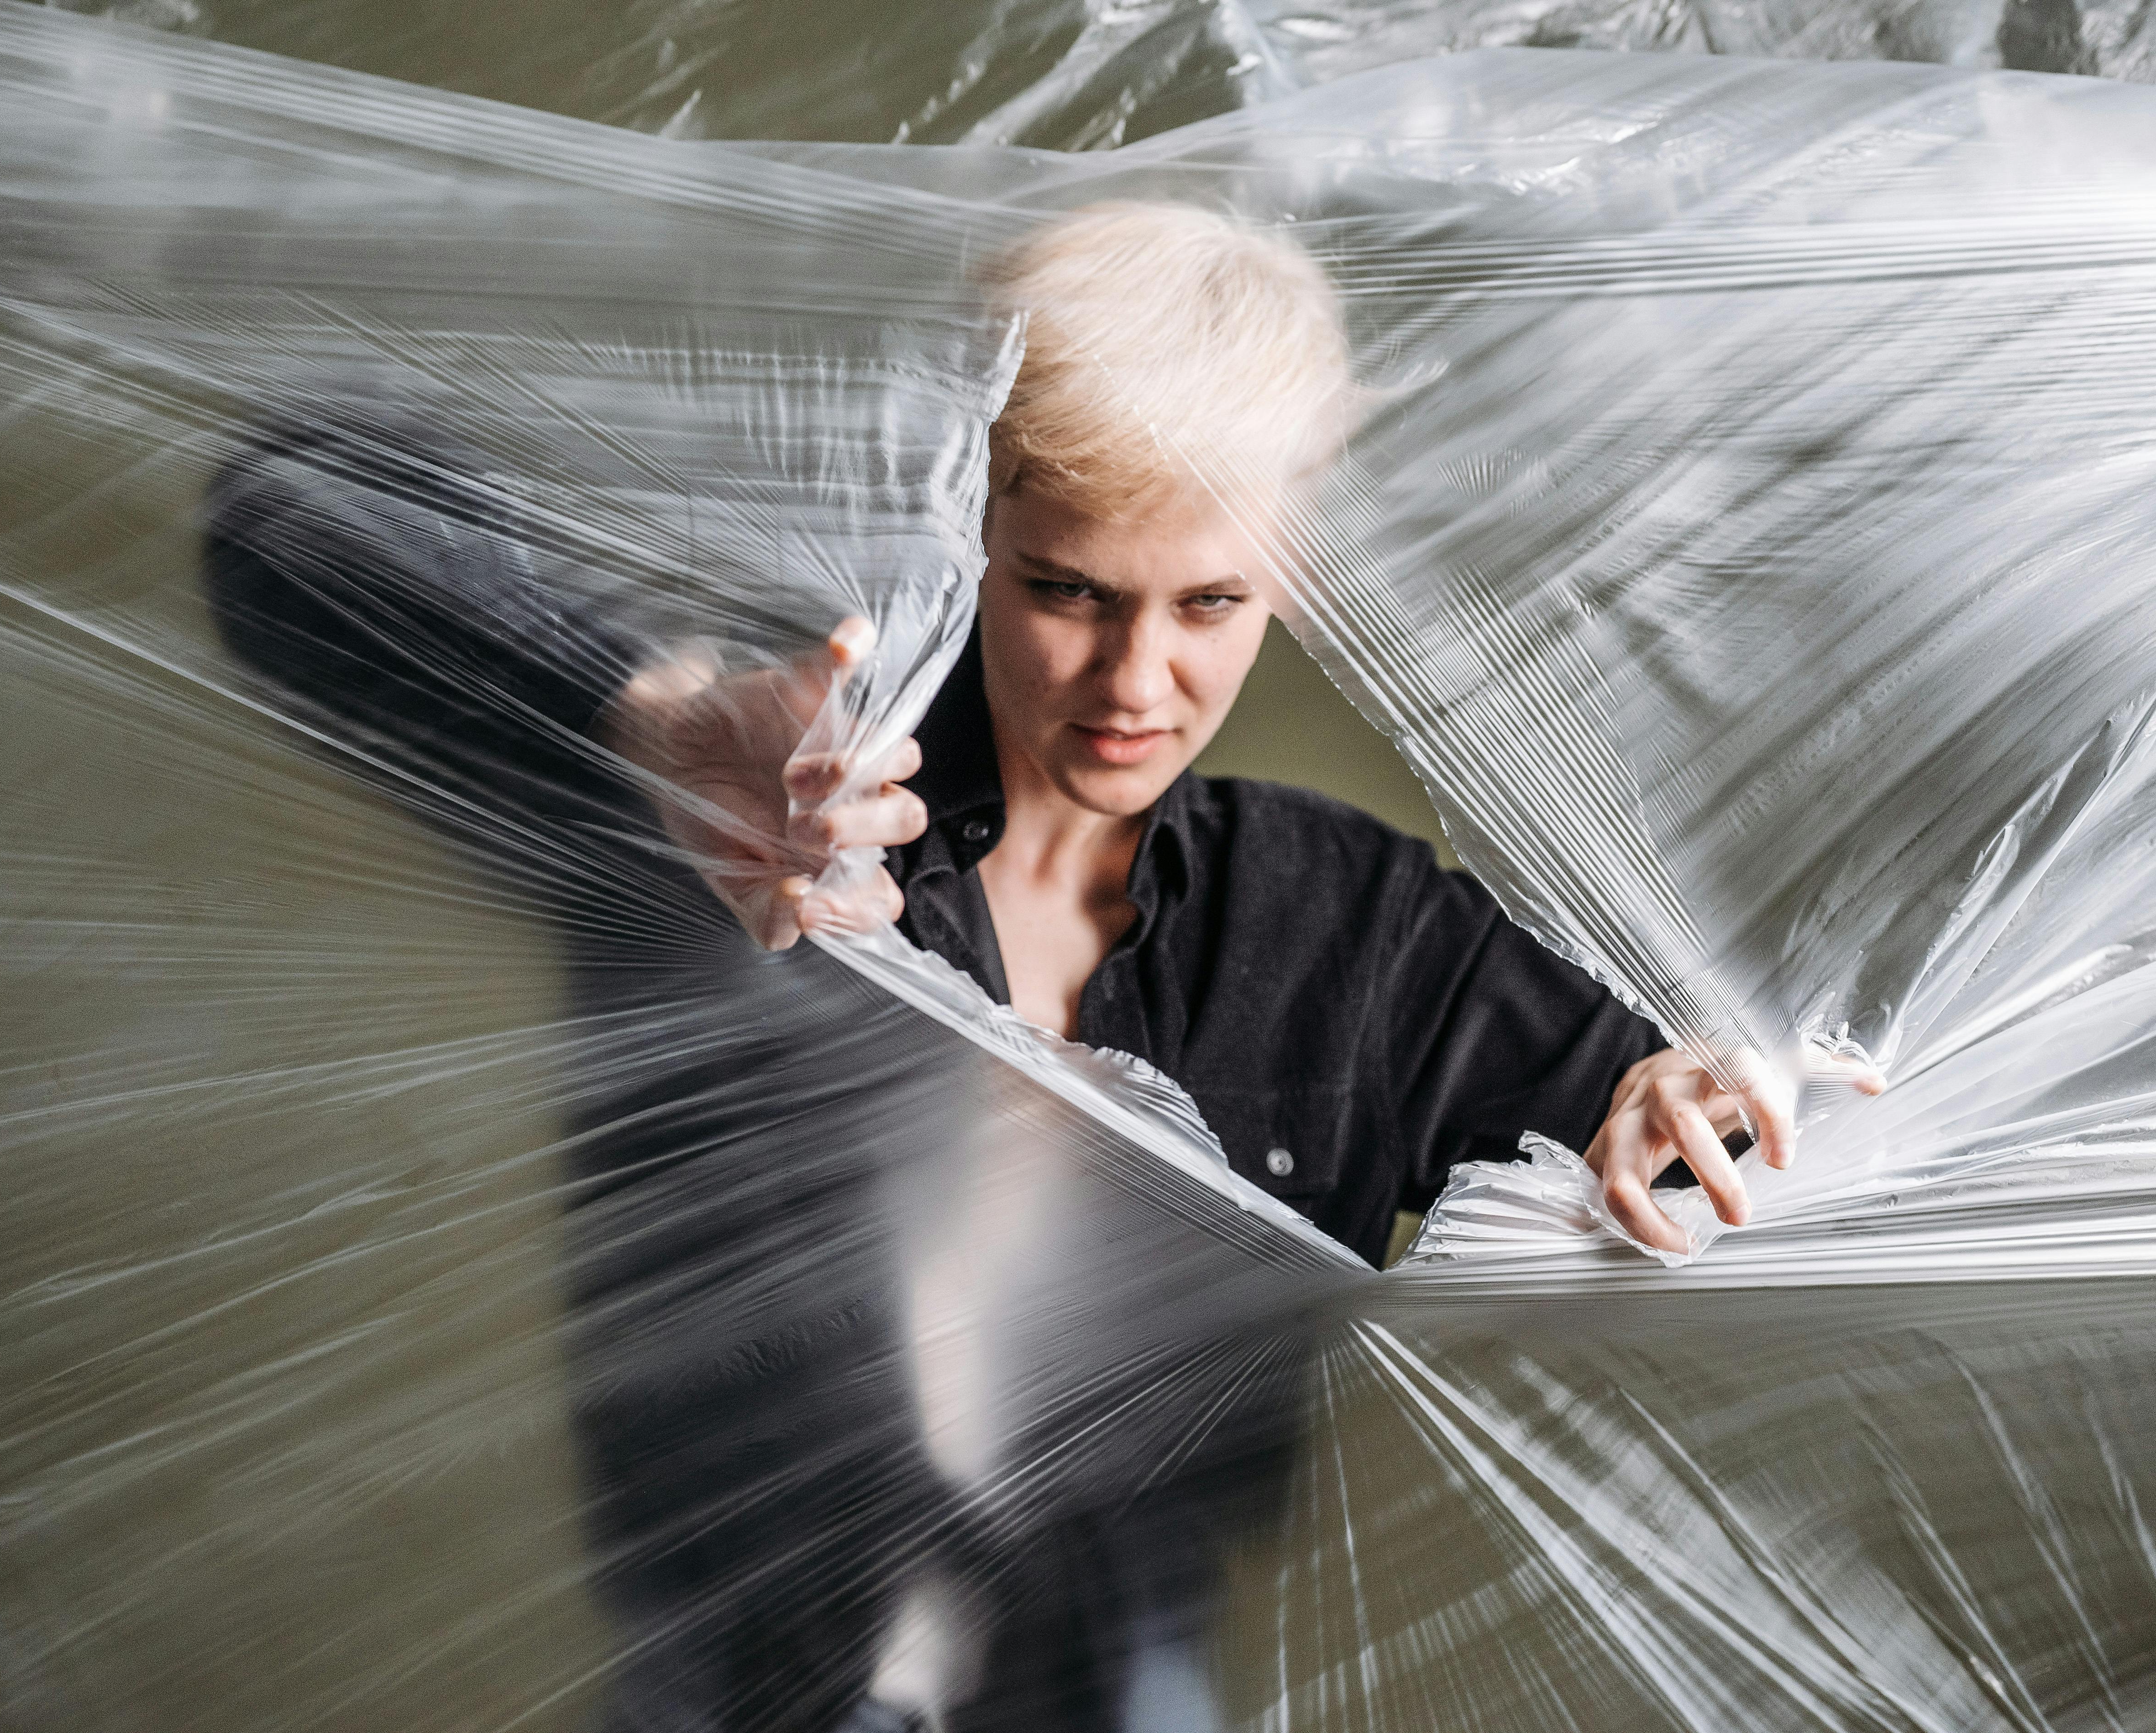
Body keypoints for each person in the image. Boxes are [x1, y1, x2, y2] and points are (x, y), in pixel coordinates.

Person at [205, 201, 1874, 1733]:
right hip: (739, 1686)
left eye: (1211, 601)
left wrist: (1671, 1086)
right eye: (1067, 588)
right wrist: (643, 713)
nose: (1136, 681)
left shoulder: (1351, 931)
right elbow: (280, 511)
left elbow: (1661, 1124)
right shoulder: (782, 818)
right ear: (970, 524)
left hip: (1108, 1683)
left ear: (1291, 570)